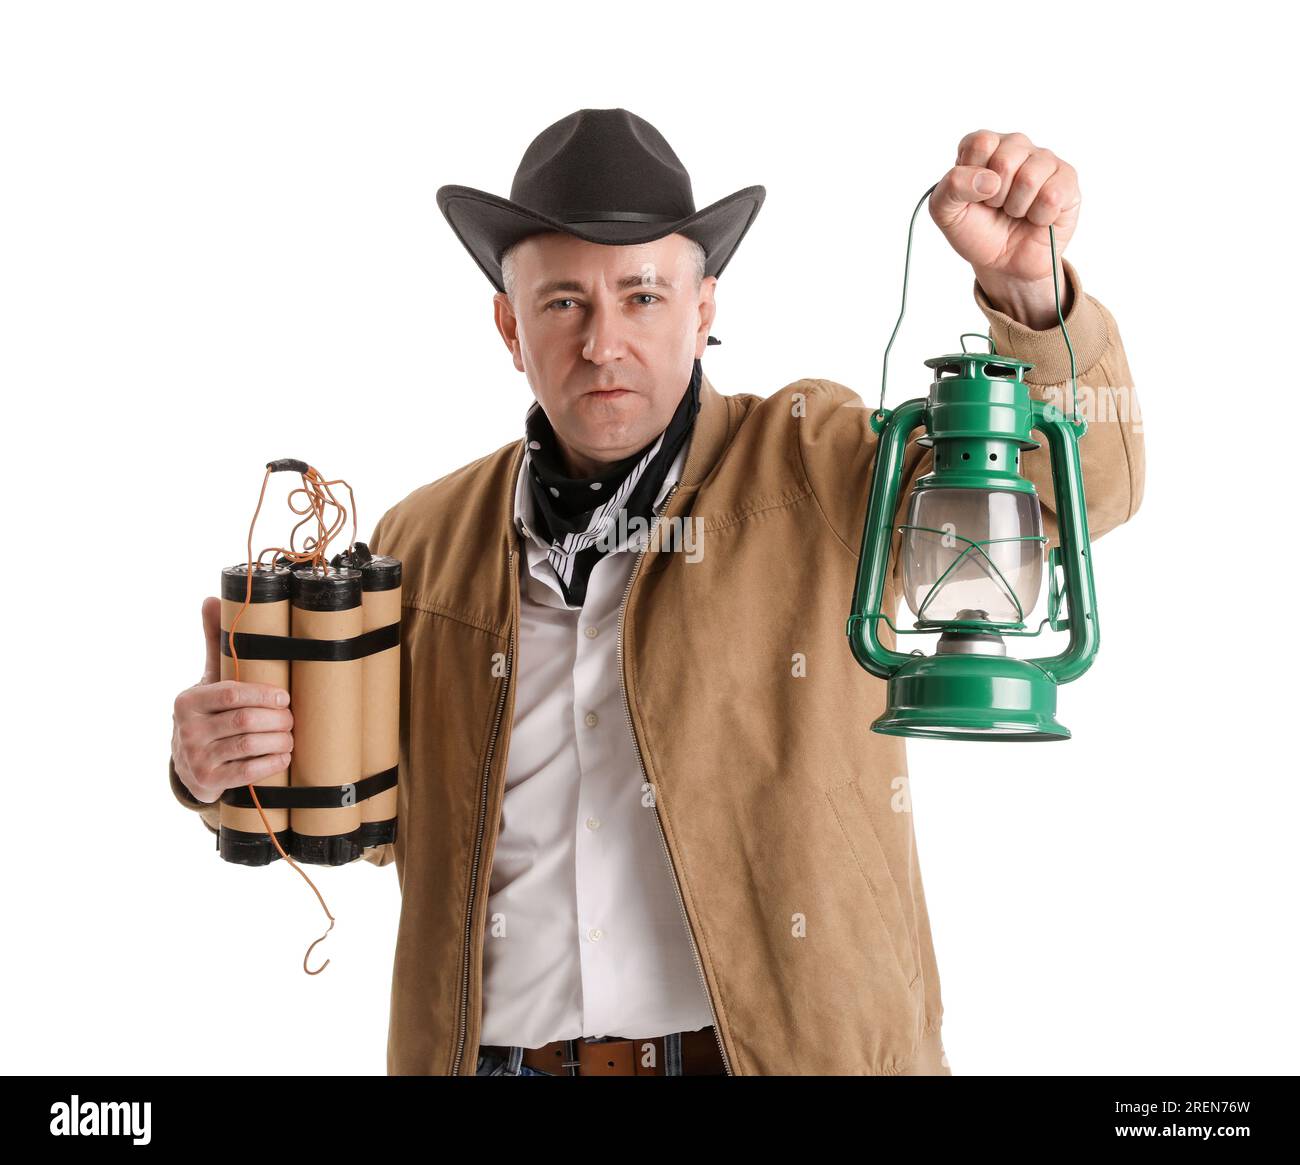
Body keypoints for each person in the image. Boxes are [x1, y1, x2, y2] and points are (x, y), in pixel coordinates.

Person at [169, 108, 1145, 1076]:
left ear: (703, 308)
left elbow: (1084, 496)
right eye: (562, 303)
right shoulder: (421, 539)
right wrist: (221, 770)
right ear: (510, 324)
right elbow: (371, 821)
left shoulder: (820, 461)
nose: (603, 343)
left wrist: (1029, 296)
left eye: (641, 297)